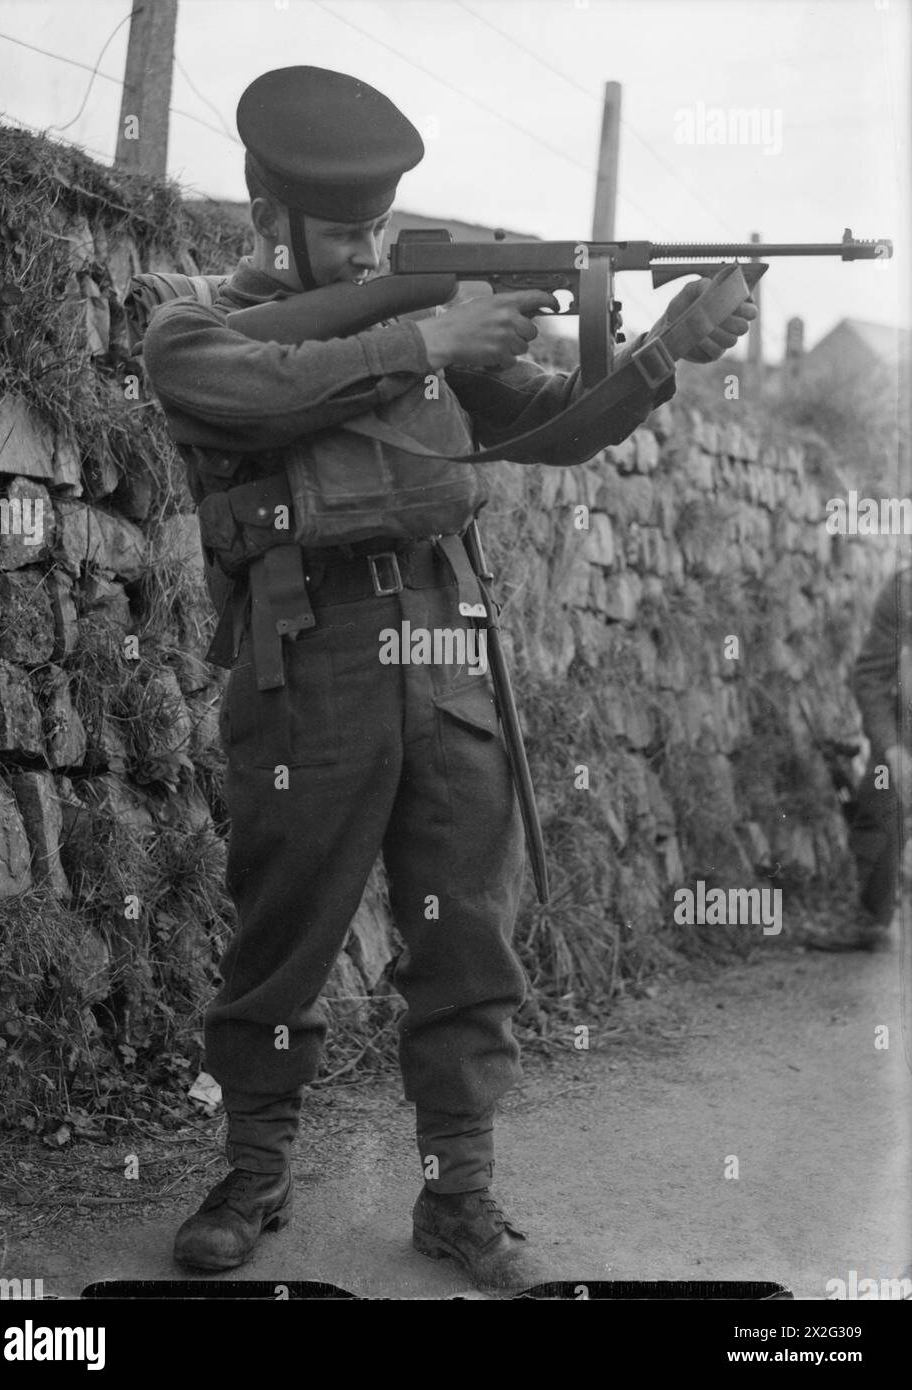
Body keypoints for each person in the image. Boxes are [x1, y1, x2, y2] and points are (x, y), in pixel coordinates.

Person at [143, 65, 756, 1292]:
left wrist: (655, 351)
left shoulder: (426, 319)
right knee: (284, 935)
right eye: (341, 231)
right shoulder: (190, 314)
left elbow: (554, 422)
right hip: (303, 649)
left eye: (377, 227)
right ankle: (253, 1174)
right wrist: (421, 335)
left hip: (446, 640)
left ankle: (458, 1195)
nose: (367, 246)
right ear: (268, 213)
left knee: (467, 936)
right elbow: (235, 390)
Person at [810, 565, 911, 951]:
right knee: (878, 798)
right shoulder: (904, 591)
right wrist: (892, 749)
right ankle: (873, 918)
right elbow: (870, 676)